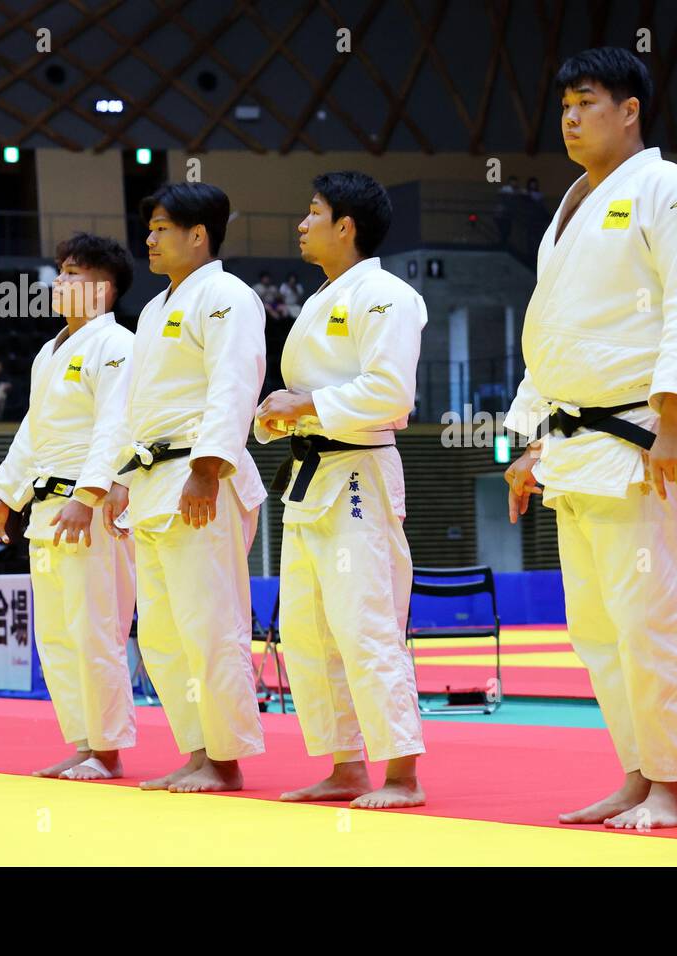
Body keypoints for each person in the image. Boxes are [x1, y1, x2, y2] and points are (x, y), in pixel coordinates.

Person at [503, 47, 677, 830]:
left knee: (653, 618)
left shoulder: (673, 193)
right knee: (597, 629)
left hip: (643, 439)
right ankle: (638, 772)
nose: (570, 118)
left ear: (630, 110)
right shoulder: (570, 208)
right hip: (578, 445)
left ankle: (674, 784)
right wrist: (531, 440)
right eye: (563, 106)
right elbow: (555, 339)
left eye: (587, 102)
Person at [255, 172, 428, 809]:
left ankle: (402, 771)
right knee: (306, 629)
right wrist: (283, 416)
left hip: (358, 474)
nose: (302, 224)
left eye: (313, 212)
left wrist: (306, 404)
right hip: (310, 478)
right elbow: (312, 399)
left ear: (345, 226)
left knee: (366, 622)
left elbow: (391, 393)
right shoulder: (322, 298)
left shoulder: (385, 295)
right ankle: (346, 764)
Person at [0, 233, 137, 781]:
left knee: (96, 628)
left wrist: (88, 495)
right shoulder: (50, 351)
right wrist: (5, 495)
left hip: (86, 506)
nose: (59, 282)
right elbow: (32, 433)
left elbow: (116, 427)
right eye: (60, 272)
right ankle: (85, 741)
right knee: (57, 633)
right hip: (46, 508)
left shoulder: (117, 344)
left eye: (72, 273)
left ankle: (109, 750)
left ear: (104, 288)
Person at [126, 183, 267, 794]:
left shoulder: (227, 297)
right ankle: (197, 748)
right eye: (149, 228)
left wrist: (208, 468)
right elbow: (139, 407)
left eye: (161, 227)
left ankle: (226, 760)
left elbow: (233, 385)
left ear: (198, 235)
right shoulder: (154, 309)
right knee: (160, 633)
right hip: (152, 483)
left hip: (199, 478)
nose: (150, 239)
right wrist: (114, 482)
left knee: (211, 624)